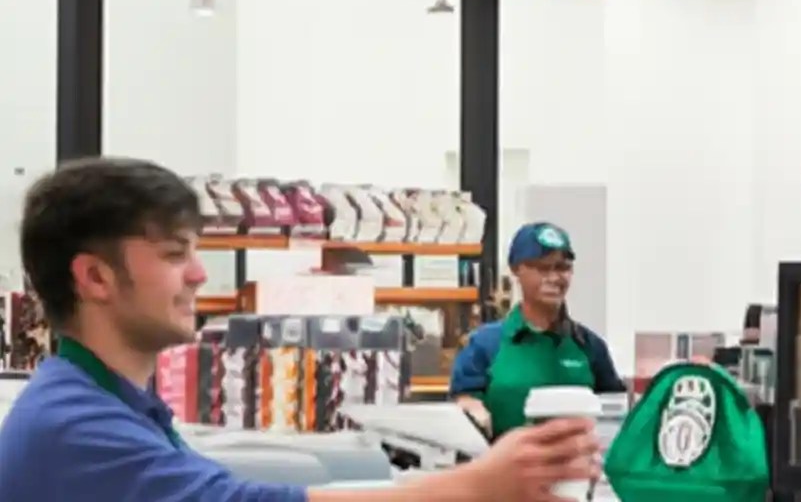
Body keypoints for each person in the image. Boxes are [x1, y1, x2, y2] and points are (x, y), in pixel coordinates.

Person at [0, 157, 599, 502]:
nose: (198, 273)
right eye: (174, 253)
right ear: (95, 277)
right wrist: (472, 486)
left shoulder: (124, 406)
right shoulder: (73, 427)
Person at [450, 222, 625, 438]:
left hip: (575, 469)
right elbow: (464, 404)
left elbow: (614, 415)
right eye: (542, 268)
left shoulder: (589, 346)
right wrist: (470, 408)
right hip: (504, 470)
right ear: (516, 269)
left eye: (562, 267)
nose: (554, 278)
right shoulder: (485, 345)